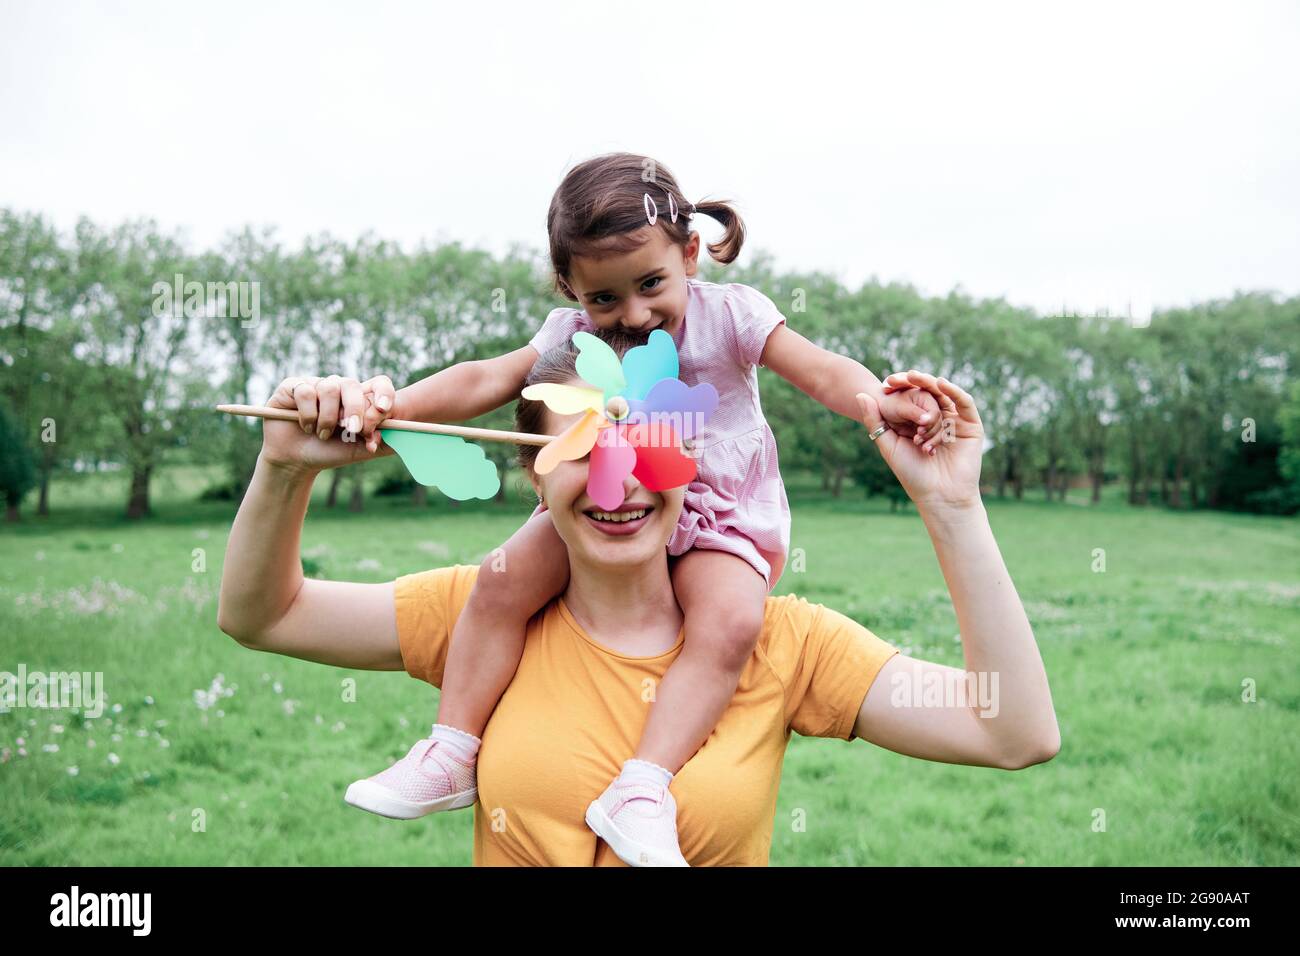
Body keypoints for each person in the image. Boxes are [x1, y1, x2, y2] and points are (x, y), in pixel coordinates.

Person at [333, 152, 943, 866]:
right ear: (570, 288)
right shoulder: (570, 334)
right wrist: (393, 406)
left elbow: (823, 370)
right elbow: (487, 379)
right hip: (605, 491)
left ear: (689, 253)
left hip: (716, 511)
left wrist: (882, 405)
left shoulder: (732, 314)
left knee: (731, 622)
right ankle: (452, 749)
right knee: (498, 582)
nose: (633, 313)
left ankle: (643, 788)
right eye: (604, 299)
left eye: (651, 283)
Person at [216, 357, 1061, 867]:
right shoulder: (484, 613)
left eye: (648, 441)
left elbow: (1012, 732)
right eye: (580, 446)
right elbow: (266, 615)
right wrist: (285, 469)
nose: (617, 477)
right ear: (534, 472)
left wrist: (953, 507)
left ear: (692, 463)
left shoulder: (780, 641)